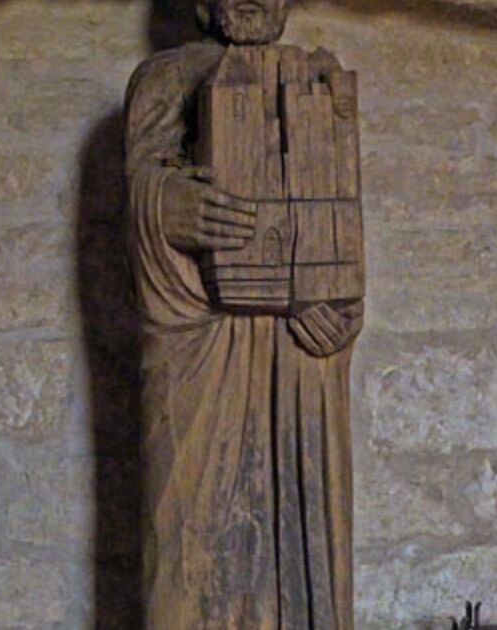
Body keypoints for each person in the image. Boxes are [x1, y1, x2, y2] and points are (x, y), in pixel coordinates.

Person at [124, 0, 363, 627]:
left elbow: (338, 223)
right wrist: (163, 208)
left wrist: (339, 313)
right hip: (198, 350)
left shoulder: (317, 79)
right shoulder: (165, 79)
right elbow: (140, 202)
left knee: (296, 541)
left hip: (297, 362)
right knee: (187, 553)